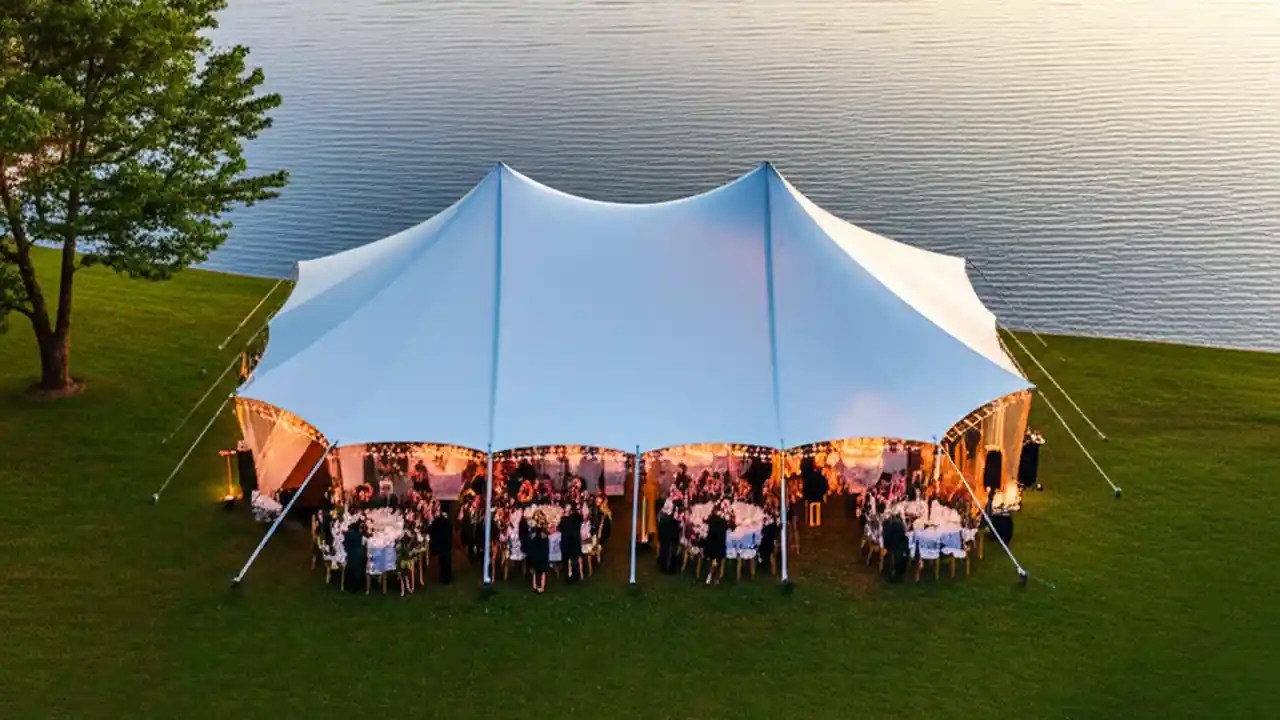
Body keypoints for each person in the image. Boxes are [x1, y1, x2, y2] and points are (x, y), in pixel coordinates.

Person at [704, 501, 731, 585]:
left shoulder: (722, 519)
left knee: (716, 560)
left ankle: (713, 576)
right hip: (714, 541)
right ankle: (712, 576)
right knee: (714, 559)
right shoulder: (715, 518)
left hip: (717, 541)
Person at [427, 506, 453, 584]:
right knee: (445, 561)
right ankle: (446, 577)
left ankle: (445, 577)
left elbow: (430, 530)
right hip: (446, 544)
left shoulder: (437, 521)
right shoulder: (445, 520)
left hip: (442, 545)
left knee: (444, 562)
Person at [560, 502, 585, 582]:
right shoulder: (576, 517)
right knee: (575, 559)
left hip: (568, 543)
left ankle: (570, 575)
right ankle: (576, 575)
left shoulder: (564, 520)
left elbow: (560, 528)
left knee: (568, 560)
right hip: (575, 542)